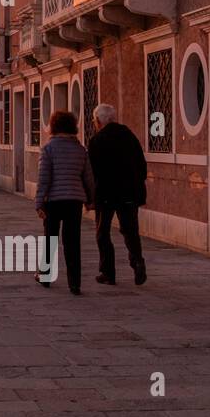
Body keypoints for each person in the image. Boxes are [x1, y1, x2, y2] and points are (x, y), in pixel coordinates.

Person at [34, 110, 95, 296]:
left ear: (53, 126)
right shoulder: (80, 149)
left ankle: (45, 275)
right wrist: (91, 199)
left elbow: (44, 178)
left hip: (54, 200)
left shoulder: (48, 149)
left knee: (50, 238)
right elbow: (88, 177)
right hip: (74, 200)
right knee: (72, 241)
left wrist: (39, 202)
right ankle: (74, 283)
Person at [87, 104, 147, 286]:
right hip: (129, 193)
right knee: (130, 231)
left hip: (106, 194)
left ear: (98, 121)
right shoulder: (129, 136)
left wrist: (91, 197)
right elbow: (142, 166)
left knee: (102, 233)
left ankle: (108, 273)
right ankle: (137, 261)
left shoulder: (97, 141)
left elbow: (93, 172)